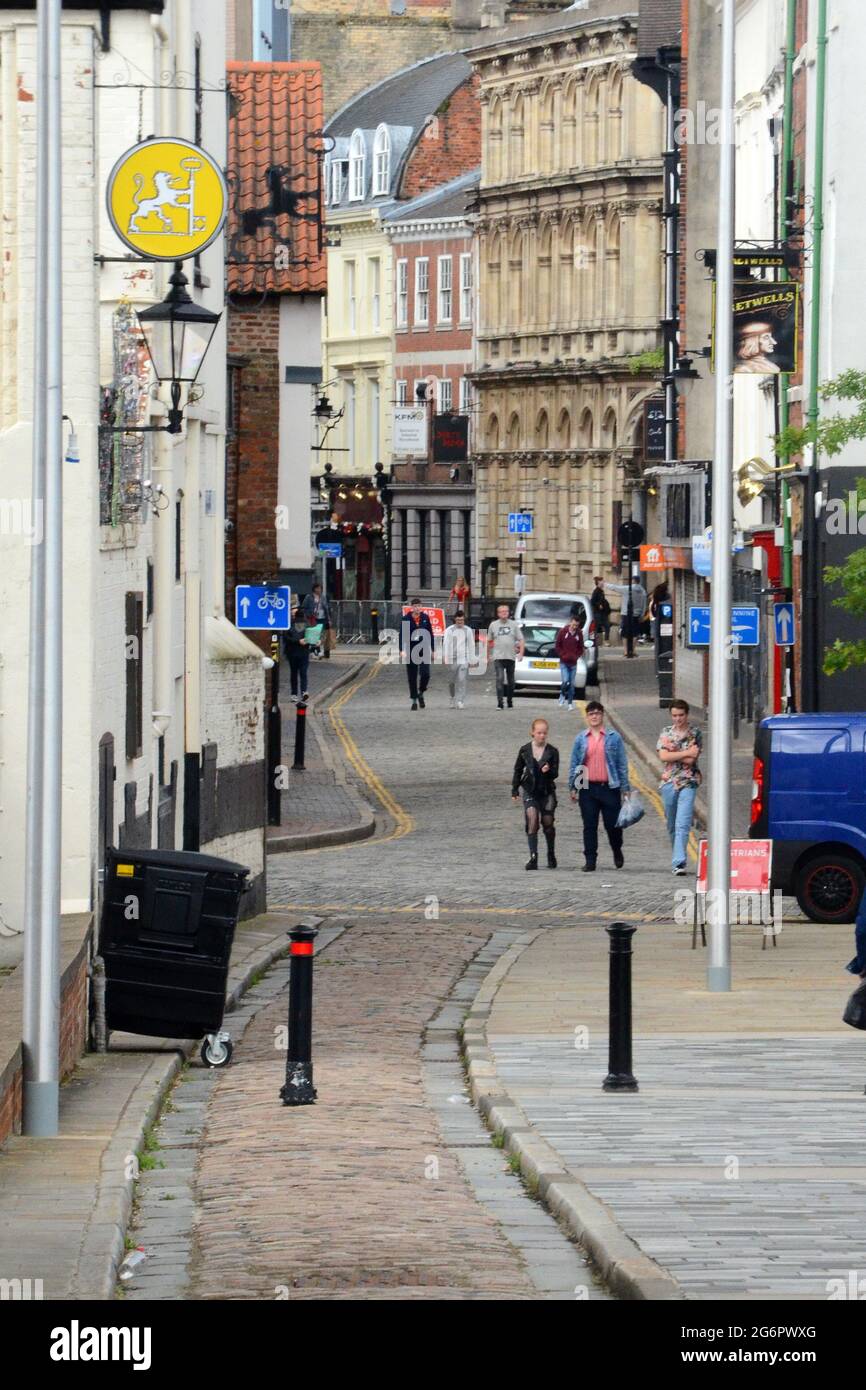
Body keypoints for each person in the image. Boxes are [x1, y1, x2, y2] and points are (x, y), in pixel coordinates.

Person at [568, 700, 631, 872]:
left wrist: (625, 789)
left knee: (613, 826)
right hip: (588, 788)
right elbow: (575, 764)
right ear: (587, 717)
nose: (594, 716)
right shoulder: (581, 738)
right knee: (589, 825)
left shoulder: (613, 737)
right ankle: (590, 860)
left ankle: (616, 849)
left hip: (609, 788)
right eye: (591, 714)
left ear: (602, 715)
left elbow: (621, 764)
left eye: (597, 713)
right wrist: (573, 787)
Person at [657, 698, 702, 875]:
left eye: (681, 715)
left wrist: (672, 754)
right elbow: (663, 757)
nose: (678, 719)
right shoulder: (665, 732)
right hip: (668, 781)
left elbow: (692, 759)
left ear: (687, 714)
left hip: (688, 781)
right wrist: (684, 753)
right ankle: (677, 852)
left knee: (683, 823)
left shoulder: (695, 733)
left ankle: (679, 862)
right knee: (671, 823)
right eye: (674, 715)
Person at [512, 717, 560, 871]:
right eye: (539, 733)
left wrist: (548, 771)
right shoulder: (525, 750)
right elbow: (518, 770)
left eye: (544, 733)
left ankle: (551, 853)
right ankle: (533, 857)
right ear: (532, 733)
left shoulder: (552, 751)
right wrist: (514, 789)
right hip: (530, 790)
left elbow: (555, 773)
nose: (542, 736)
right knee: (532, 819)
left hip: (546, 791)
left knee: (547, 823)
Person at [486, 603, 525, 709]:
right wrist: (487, 655)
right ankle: (500, 702)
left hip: (511, 656)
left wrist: (521, 653)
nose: (504, 613)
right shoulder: (493, 625)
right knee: (500, 678)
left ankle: (509, 700)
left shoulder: (514, 625)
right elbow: (489, 641)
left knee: (511, 681)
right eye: (502, 611)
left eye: (506, 611)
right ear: (498, 614)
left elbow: (521, 639)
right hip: (498, 657)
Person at [400, 597, 434, 711]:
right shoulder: (406, 619)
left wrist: (433, 650)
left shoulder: (425, 617)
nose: (417, 608)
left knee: (426, 674)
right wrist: (402, 650)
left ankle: (421, 692)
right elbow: (402, 636)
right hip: (411, 649)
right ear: (411, 607)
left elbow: (430, 634)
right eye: (415, 606)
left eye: (419, 606)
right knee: (412, 676)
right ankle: (414, 700)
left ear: (421, 607)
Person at [442, 609, 475, 709]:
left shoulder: (468, 630)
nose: (460, 622)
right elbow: (446, 644)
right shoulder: (449, 630)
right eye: (458, 620)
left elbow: (471, 645)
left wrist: (471, 659)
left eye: (462, 620)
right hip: (452, 658)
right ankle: (452, 697)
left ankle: (460, 700)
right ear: (455, 620)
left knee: (462, 679)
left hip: (463, 658)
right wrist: (445, 656)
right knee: (451, 681)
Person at [554, 613, 585, 710]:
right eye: (573, 625)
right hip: (564, 662)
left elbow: (581, 647)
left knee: (571, 685)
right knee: (565, 681)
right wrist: (562, 654)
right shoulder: (563, 632)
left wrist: (577, 656)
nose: (575, 627)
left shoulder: (579, 633)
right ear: (570, 622)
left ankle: (570, 703)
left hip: (573, 663)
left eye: (577, 625)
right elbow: (557, 645)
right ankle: (562, 694)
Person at [282, 607, 311, 703]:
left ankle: (294, 694)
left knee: (294, 673)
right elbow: (311, 637)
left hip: (292, 652)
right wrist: (315, 643)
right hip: (303, 652)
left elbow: (286, 638)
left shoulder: (290, 625)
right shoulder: (307, 625)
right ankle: (304, 692)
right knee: (303, 673)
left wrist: (297, 641)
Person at [302, 583, 333, 659]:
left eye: (320, 588)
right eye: (318, 588)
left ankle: (317, 651)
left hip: (322, 618)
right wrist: (307, 615)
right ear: (314, 589)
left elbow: (327, 609)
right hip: (313, 618)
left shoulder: (323, 597)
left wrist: (329, 619)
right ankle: (314, 651)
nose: (319, 590)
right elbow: (304, 607)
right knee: (314, 635)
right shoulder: (309, 597)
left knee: (320, 636)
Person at [590, 577, 612, 645]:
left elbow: (602, 600)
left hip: (603, 612)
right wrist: (598, 605)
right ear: (598, 583)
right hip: (597, 612)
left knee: (607, 626)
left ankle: (606, 641)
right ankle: (593, 641)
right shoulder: (596, 591)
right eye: (602, 581)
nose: (603, 583)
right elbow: (592, 601)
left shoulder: (602, 591)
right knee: (596, 627)